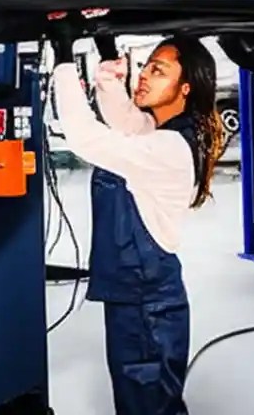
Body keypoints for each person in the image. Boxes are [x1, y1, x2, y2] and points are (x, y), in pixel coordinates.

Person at [49, 28, 224, 415]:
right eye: (146, 66)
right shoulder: (167, 131)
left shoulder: (168, 147)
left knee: (146, 407)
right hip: (143, 292)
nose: (144, 74)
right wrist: (106, 51)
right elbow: (125, 121)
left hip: (146, 304)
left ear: (186, 88)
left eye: (159, 71)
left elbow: (85, 138)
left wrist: (62, 56)